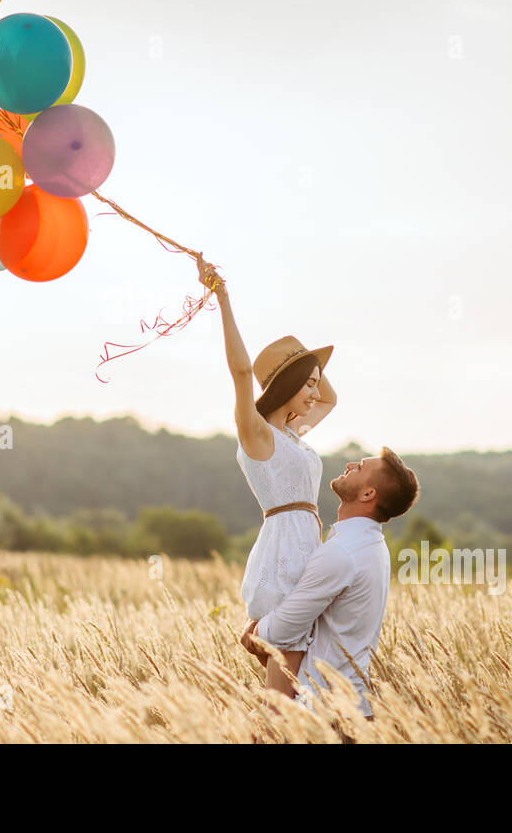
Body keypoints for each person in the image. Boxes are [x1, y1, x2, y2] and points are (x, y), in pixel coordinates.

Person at [195, 252, 337, 699]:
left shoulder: (296, 432)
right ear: (286, 385)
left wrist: (308, 368)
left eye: (316, 382)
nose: (316, 393)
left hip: (307, 553)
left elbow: (329, 399)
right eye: (308, 383)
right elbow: (240, 371)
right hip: (283, 561)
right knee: (283, 696)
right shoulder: (258, 436)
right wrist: (223, 298)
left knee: (300, 694)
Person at [242, 446, 420, 726]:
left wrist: (254, 630)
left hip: (324, 716)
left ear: (367, 495)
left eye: (360, 466)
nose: (350, 464)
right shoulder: (372, 545)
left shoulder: (342, 552)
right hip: (349, 709)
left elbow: (281, 629)